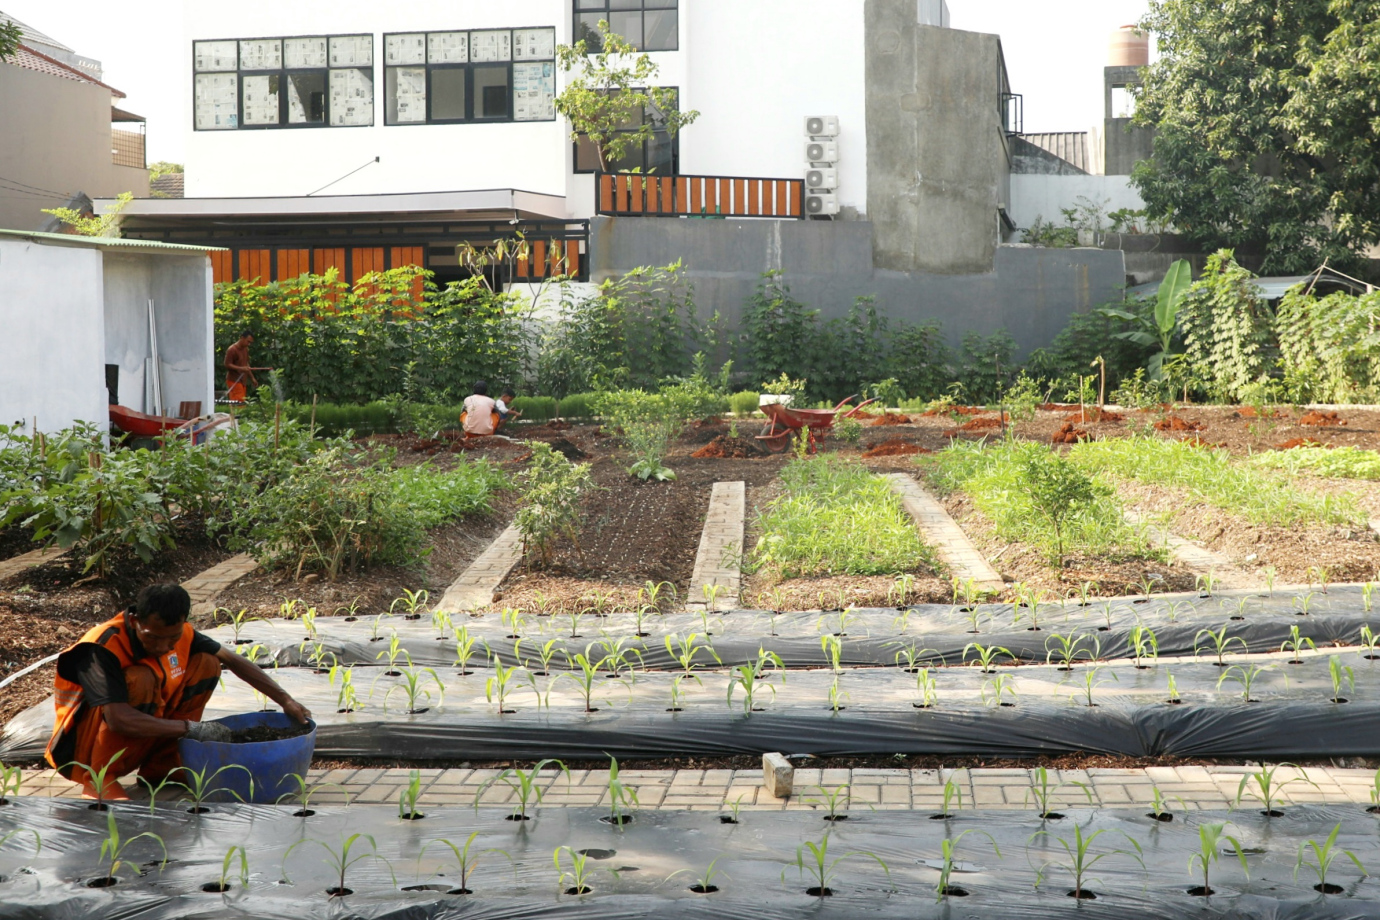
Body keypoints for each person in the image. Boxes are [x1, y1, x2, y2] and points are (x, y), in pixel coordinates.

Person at [45, 584, 312, 801]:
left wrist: (285, 700)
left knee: (207, 662)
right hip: (80, 748)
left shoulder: (182, 633)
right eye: (152, 637)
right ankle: (100, 779)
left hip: (145, 731)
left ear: (183, 622)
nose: (163, 646)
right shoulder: (101, 646)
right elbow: (118, 719)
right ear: (135, 620)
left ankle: (163, 768)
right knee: (141, 679)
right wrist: (191, 729)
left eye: (171, 639)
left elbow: (231, 659)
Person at [223, 331, 258, 402]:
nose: (249, 344)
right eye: (248, 341)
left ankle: (238, 413)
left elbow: (246, 364)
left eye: (250, 342)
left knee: (241, 401)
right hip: (234, 380)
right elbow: (227, 364)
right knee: (238, 403)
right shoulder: (232, 349)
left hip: (243, 381)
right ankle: (237, 413)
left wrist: (252, 378)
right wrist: (241, 368)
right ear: (242, 338)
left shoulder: (245, 349)